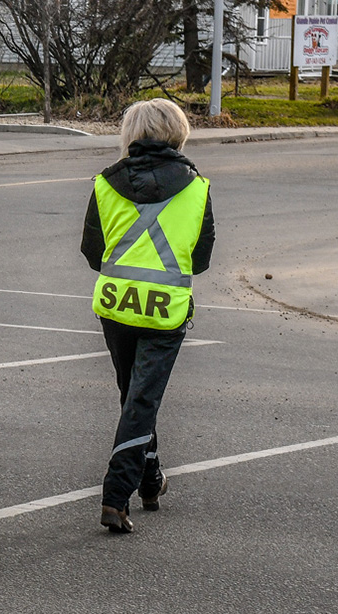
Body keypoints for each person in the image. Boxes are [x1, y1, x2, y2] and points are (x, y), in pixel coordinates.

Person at [82, 98, 213, 534]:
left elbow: (92, 251)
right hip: (165, 312)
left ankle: (150, 479)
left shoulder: (104, 183)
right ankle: (116, 496)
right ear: (178, 133)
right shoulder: (197, 188)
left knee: (133, 397)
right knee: (142, 400)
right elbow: (202, 257)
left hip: (116, 306)